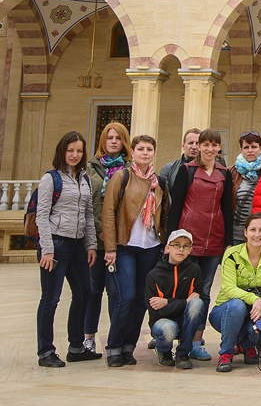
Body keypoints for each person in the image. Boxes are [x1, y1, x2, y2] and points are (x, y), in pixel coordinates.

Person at [101, 133, 167, 367]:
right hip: (125, 246)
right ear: (132, 152)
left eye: (149, 149)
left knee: (141, 299)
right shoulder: (122, 177)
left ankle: (129, 347)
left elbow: (163, 216)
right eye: (141, 149)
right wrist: (110, 247)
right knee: (125, 297)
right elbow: (108, 212)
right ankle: (114, 346)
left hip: (149, 246)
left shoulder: (158, 182)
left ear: (154, 153)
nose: (145, 153)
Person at [35, 130, 100, 367]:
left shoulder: (84, 179)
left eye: (79, 151)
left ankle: (76, 347)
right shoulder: (50, 179)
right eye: (70, 150)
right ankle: (45, 351)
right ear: (62, 151)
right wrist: (47, 249)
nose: (74, 154)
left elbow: (89, 214)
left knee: (84, 293)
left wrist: (91, 244)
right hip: (56, 244)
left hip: (77, 245)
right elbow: (42, 216)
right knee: (50, 298)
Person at [168, 128, 233, 361]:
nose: (209, 149)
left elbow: (227, 210)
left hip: (214, 241)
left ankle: (196, 341)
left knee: (204, 292)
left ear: (218, 148)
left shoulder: (225, 174)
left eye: (214, 145)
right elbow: (175, 207)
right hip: (187, 241)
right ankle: (177, 339)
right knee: (183, 291)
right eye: (205, 144)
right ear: (199, 147)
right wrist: (172, 240)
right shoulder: (186, 171)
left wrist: (228, 244)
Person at [208, 212, 261, 372]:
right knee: (237, 305)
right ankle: (226, 353)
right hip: (225, 313)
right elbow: (228, 288)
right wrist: (253, 299)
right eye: (253, 230)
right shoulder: (232, 254)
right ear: (245, 232)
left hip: (255, 314)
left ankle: (248, 345)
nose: (257, 234)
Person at [84, 121, 131, 356]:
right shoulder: (90, 169)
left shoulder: (131, 169)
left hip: (119, 241)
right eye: (109, 137)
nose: (113, 141)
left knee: (116, 292)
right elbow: (86, 204)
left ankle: (115, 338)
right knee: (93, 290)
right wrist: (99, 229)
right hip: (95, 241)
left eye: (118, 138)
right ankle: (88, 337)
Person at [146, 229, 205, 369]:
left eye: (185, 246)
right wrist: (184, 302)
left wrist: (166, 302)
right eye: (176, 245)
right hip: (162, 323)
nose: (181, 249)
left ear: (190, 250)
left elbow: (195, 301)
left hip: (184, 321)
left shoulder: (194, 270)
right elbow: (155, 312)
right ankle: (164, 351)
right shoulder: (154, 275)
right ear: (167, 248)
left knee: (197, 303)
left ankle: (182, 353)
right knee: (168, 328)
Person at [231, 131, 261, 245]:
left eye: (254, 147)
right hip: (235, 235)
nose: (250, 150)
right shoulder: (231, 173)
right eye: (246, 147)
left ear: (260, 149)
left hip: (259, 235)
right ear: (241, 150)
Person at [160, 127, 201, 193]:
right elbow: (166, 196)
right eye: (190, 143)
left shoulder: (209, 170)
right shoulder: (167, 169)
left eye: (197, 143)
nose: (194, 147)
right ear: (183, 146)